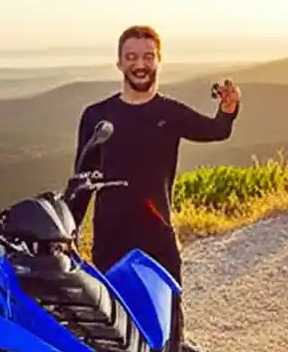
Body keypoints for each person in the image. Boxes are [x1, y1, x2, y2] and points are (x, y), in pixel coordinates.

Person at [69, 25, 241, 286]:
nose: (140, 65)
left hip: (159, 238)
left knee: (168, 313)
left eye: (148, 56)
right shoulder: (96, 116)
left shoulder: (170, 113)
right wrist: (68, 233)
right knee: (114, 314)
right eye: (131, 57)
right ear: (119, 63)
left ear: (159, 61)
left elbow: (217, 130)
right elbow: (83, 182)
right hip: (110, 242)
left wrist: (228, 110)